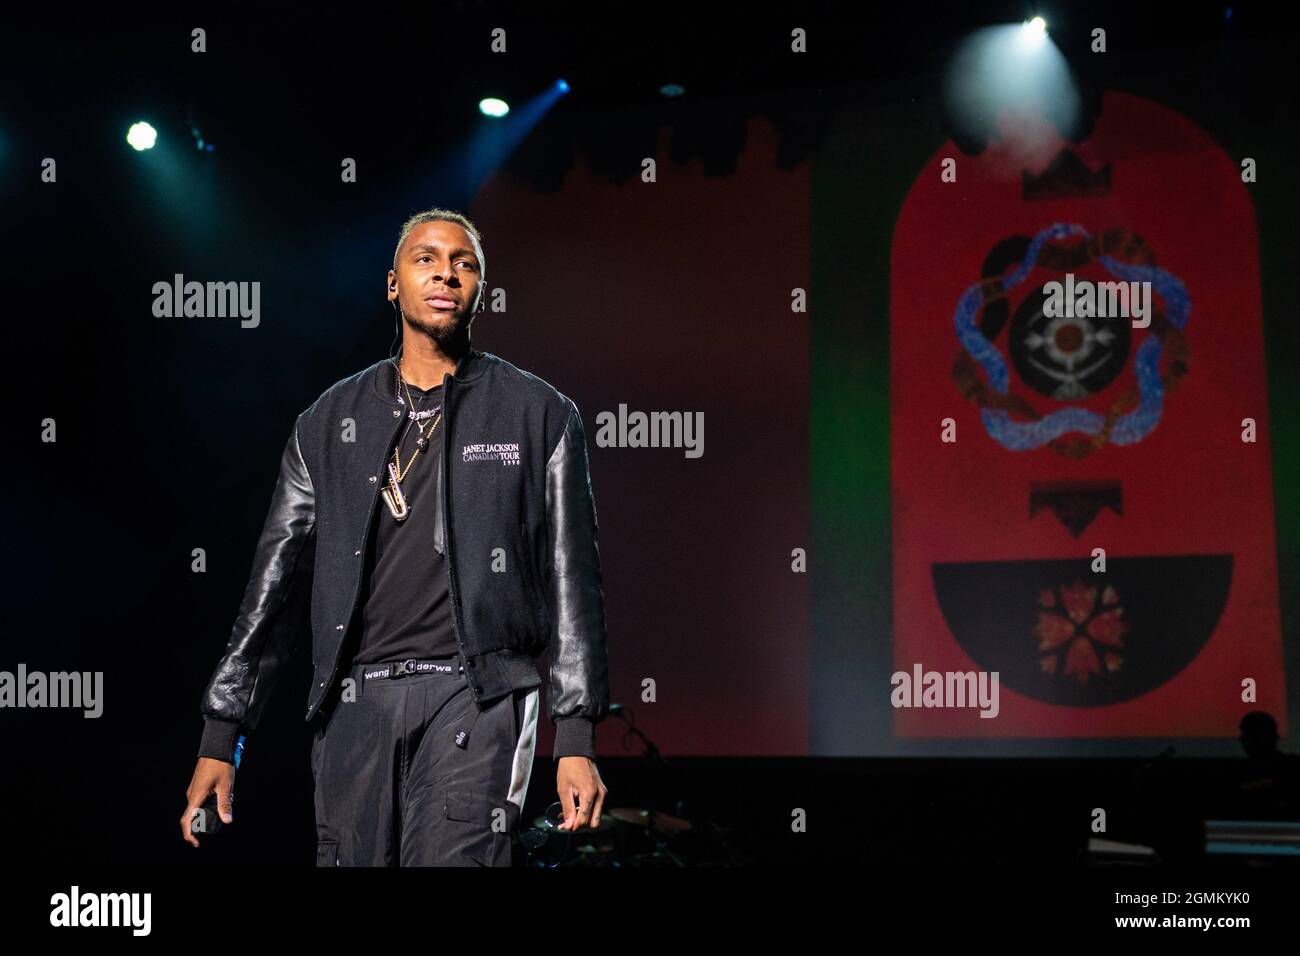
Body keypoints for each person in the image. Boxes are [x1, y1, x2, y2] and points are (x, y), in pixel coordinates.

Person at [179, 208, 610, 865]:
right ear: (392, 284)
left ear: (481, 292)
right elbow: (275, 586)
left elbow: (571, 579)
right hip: (354, 702)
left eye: (465, 263)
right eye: (427, 258)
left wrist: (575, 735)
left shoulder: (539, 414)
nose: (446, 272)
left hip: (478, 698)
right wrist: (223, 733)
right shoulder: (327, 423)